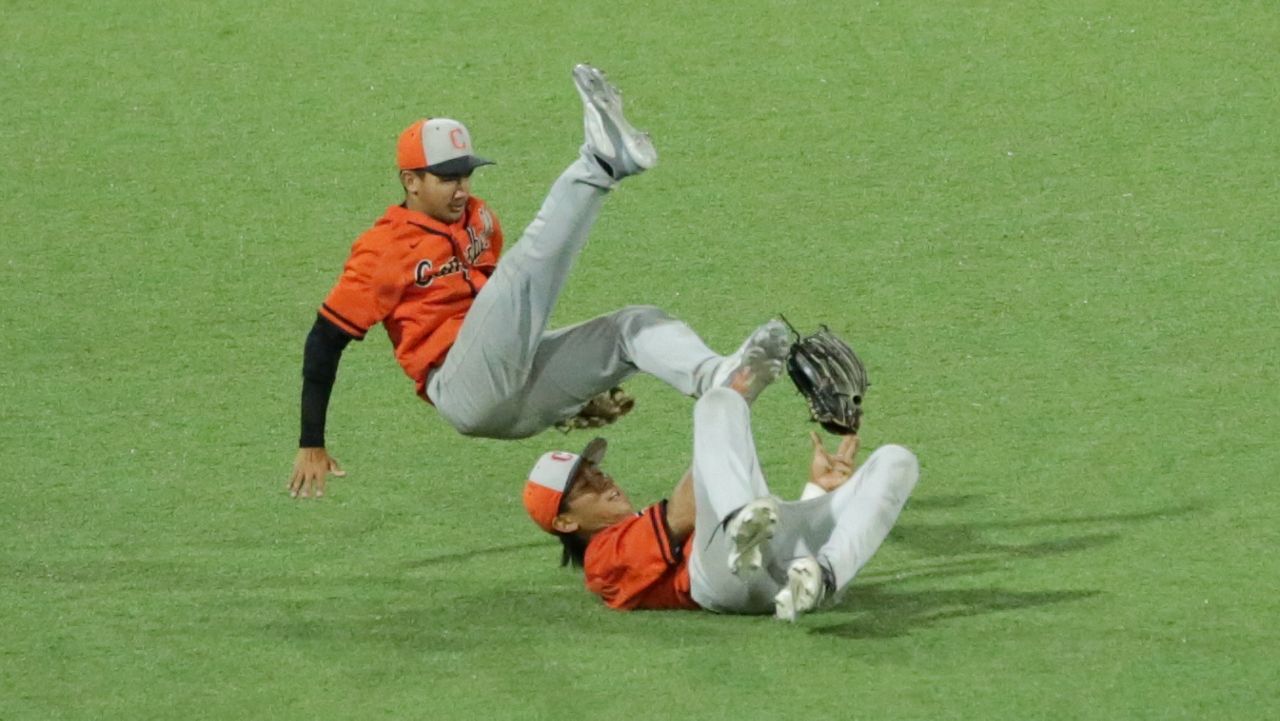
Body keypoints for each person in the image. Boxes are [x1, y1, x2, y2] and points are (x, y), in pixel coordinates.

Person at [289, 64, 791, 498]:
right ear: (410, 181)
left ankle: (718, 379)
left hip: (516, 395)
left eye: (466, 175)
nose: (462, 189)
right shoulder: (383, 250)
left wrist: (571, 394)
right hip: (462, 389)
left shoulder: (480, 219)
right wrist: (312, 439)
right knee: (520, 274)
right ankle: (600, 163)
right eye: (447, 178)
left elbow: (510, 324)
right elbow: (324, 341)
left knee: (631, 328)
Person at [521, 366, 920, 621]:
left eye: (597, 471)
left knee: (896, 460)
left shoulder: (635, 526)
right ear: (564, 521)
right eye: (584, 484)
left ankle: (824, 579)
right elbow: (686, 508)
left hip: (776, 565)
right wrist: (739, 396)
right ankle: (739, 529)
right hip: (720, 583)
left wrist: (818, 492)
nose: (604, 481)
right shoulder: (601, 560)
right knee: (715, 403)